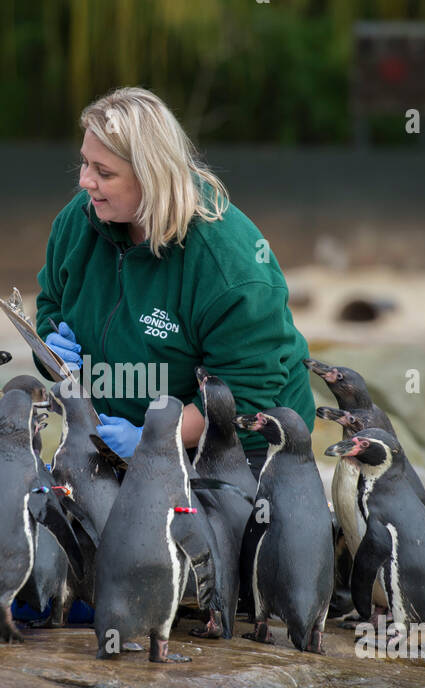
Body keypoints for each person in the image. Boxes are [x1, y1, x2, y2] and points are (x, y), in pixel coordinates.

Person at [35, 86, 314, 477]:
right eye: (84, 163)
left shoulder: (227, 262)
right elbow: (51, 302)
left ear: (151, 174)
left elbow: (248, 390)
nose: (84, 181)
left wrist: (154, 437)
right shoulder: (78, 222)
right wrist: (49, 345)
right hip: (115, 437)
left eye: (104, 172)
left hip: (234, 449)